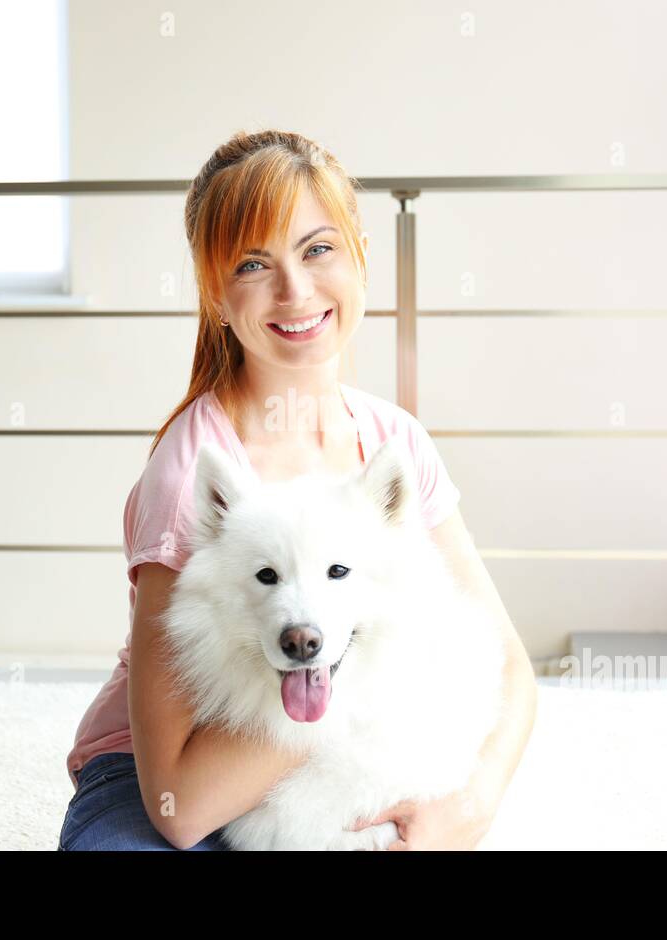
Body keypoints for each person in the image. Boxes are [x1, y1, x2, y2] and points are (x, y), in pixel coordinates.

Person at [58, 129, 537, 851]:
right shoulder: (193, 472)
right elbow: (180, 808)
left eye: (318, 249)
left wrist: (470, 806)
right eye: (254, 264)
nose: (295, 291)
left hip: (345, 758)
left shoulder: (393, 445)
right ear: (216, 295)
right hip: (170, 776)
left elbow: (508, 666)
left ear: (361, 259)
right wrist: (364, 667)